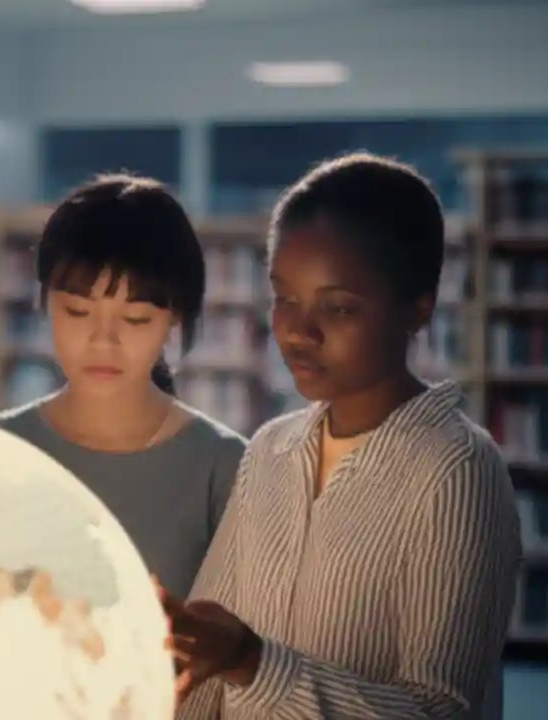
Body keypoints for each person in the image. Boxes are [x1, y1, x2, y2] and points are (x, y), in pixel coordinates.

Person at [165, 153, 521, 719]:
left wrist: (255, 664)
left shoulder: (455, 469)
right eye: (284, 298)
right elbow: (205, 661)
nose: (299, 331)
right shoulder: (269, 452)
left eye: (339, 308)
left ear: (417, 310)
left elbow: (439, 710)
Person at [0, 174, 247, 601]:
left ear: (174, 319)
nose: (103, 341)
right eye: (77, 312)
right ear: (44, 304)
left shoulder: (227, 468)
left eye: (135, 319)